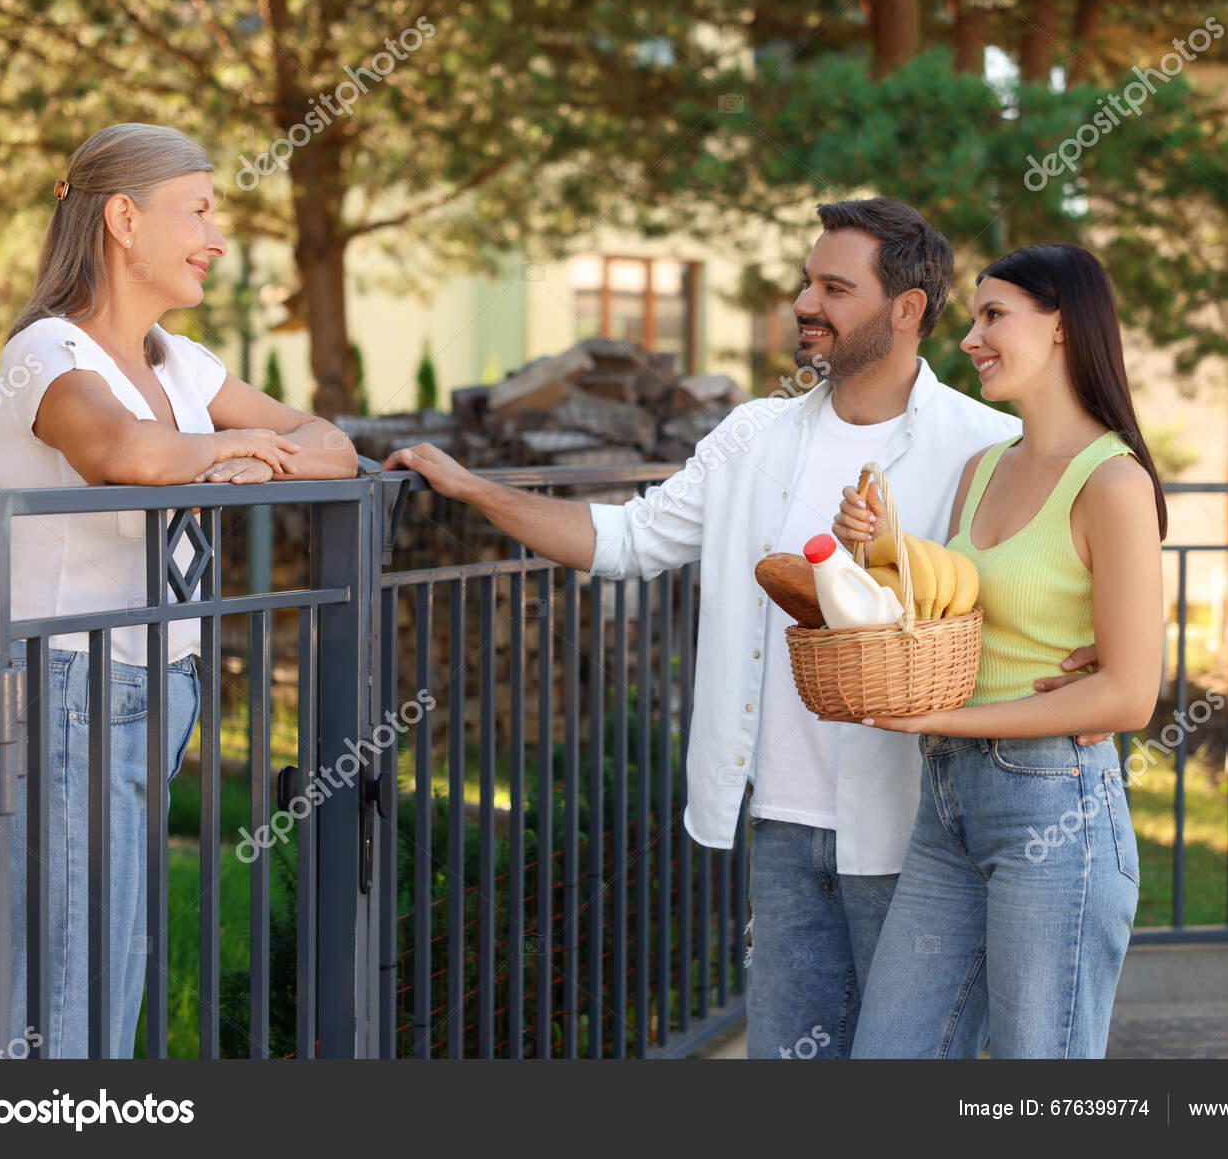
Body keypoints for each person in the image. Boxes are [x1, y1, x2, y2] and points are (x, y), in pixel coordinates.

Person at [383, 198, 1101, 1058]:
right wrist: (475, 489)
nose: (805, 304)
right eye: (806, 282)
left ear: (905, 309)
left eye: (835, 287)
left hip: (919, 831)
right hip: (783, 831)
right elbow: (629, 538)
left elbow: (1076, 536)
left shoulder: (989, 440)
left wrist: (1104, 649)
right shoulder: (750, 435)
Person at [0, 122, 358, 1057]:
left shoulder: (179, 362)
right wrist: (225, 451)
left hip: (161, 682)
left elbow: (333, 443)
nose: (216, 236)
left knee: (115, 946)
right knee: (76, 964)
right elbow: (124, 454)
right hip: (69, 685)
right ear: (122, 218)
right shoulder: (48, 353)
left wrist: (248, 458)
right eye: (197, 210)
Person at [836, 242, 1165, 1059]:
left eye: (994, 317)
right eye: (974, 318)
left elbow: (1129, 694)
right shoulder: (984, 469)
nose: (971, 338)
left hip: (1052, 805)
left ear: (1061, 326)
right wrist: (882, 549)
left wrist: (942, 713)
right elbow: (961, 608)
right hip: (947, 802)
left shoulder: (1114, 484)